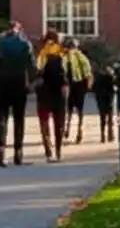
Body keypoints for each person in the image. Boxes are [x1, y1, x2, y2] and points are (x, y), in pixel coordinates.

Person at [0, 20, 37, 167]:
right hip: (19, 84)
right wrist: (31, 84)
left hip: (2, 83)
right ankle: (18, 154)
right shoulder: (25, 44)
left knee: (1, 119)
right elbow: (32, 66)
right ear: (18, 29)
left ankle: (0, 153)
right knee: (19, 119)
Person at [34, 30, 70, 162]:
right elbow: (67, 72)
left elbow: (37, 70)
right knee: (59, 123)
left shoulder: (42, 53)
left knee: (44, 123)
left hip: (44, 93)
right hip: (59, 92)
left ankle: (48, 152)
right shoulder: (62, 53)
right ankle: (59, 152)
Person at [62, 38, 93, 144]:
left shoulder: (65, 56)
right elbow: (88, 72)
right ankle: (79, 131)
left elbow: (62, 69)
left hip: (70, 86)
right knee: (80, 111)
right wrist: (88, 87)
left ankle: (67, 128)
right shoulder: (82, 57)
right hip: (80, 87)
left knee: (69, 109)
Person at [91, 62, 118, 142]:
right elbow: (114, 88)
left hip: (101, 100)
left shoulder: (98, 78)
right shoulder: (111, 77)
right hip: (109, 100)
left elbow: (93, 88)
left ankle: (103, 135)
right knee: (110, 117)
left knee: (102, 118)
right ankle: (110, 134)